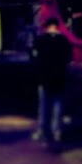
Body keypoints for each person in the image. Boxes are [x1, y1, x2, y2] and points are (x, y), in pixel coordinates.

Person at [31, 15, 73, 151]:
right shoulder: (64, 41)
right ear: (57, 27)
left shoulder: (40, 40)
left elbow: (34, 57)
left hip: (44, 79)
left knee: (43, 107)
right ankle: (57, 132)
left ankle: (42, 132)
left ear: (47, 27)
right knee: (58, 106)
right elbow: (69, 58)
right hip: (60, 78)